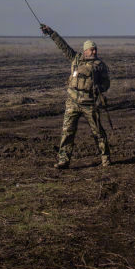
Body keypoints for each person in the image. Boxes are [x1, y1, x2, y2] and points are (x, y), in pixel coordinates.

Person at [40, 23, 111, 169]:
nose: (94, 51)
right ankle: (63, 161)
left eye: (95, 49)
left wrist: (100, 88)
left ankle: (105, 158)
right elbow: (63, 46)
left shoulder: (100, 65)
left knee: (98, 132)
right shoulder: (75, 59)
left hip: (89, 103)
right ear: (85, 51)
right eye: (91, 49)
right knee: (67, 132)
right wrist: (51, 33)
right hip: (72, 102)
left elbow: (106, 84)